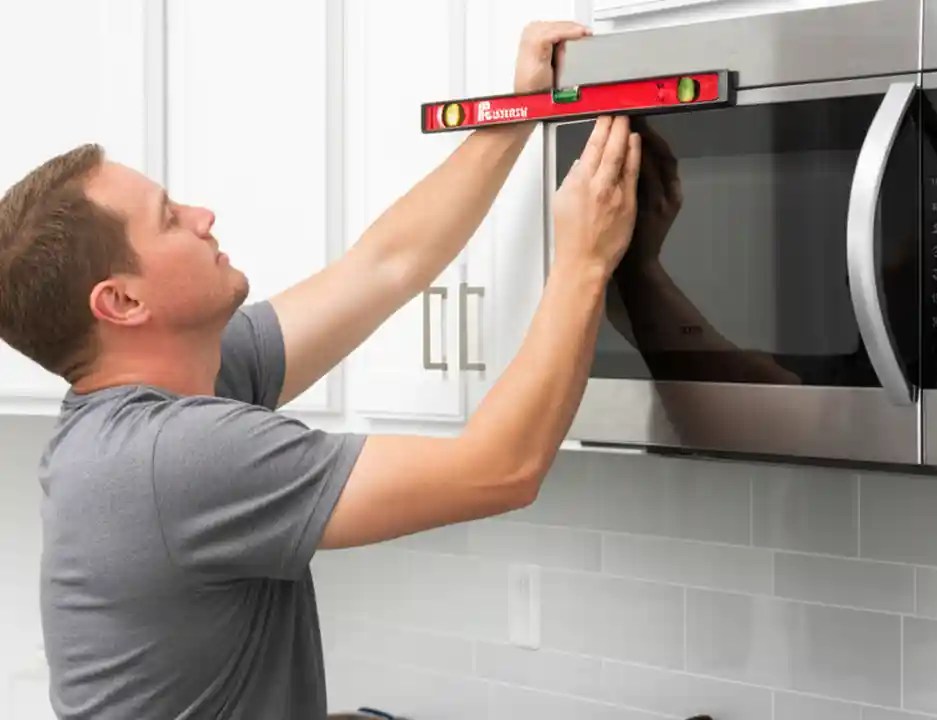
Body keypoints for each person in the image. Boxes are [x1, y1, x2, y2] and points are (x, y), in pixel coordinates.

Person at [0, 21, 642, 720]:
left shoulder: (176, 393)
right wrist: (584, 262)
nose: (203, 215)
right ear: (122, 302)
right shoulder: (171, 457)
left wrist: (513, 114)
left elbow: (384, 266)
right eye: (169, 219)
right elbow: (501, 467)